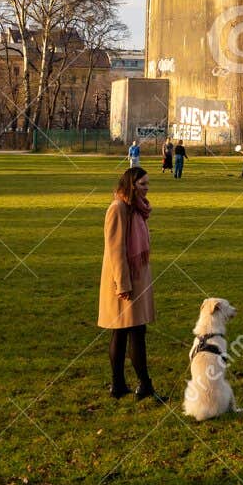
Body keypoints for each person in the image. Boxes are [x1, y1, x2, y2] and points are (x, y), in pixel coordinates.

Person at [98, 165, 158, 400]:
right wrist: (123, 284)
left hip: (136, 278)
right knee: (132, 331)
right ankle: (143, 385)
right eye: (143, 184)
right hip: (123, 282)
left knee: (126, 331)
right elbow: (115, 250)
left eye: (147, 184)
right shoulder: (118, 208)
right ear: (132, 185)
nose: (146, 189)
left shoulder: (136, 209)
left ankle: (119, 385)